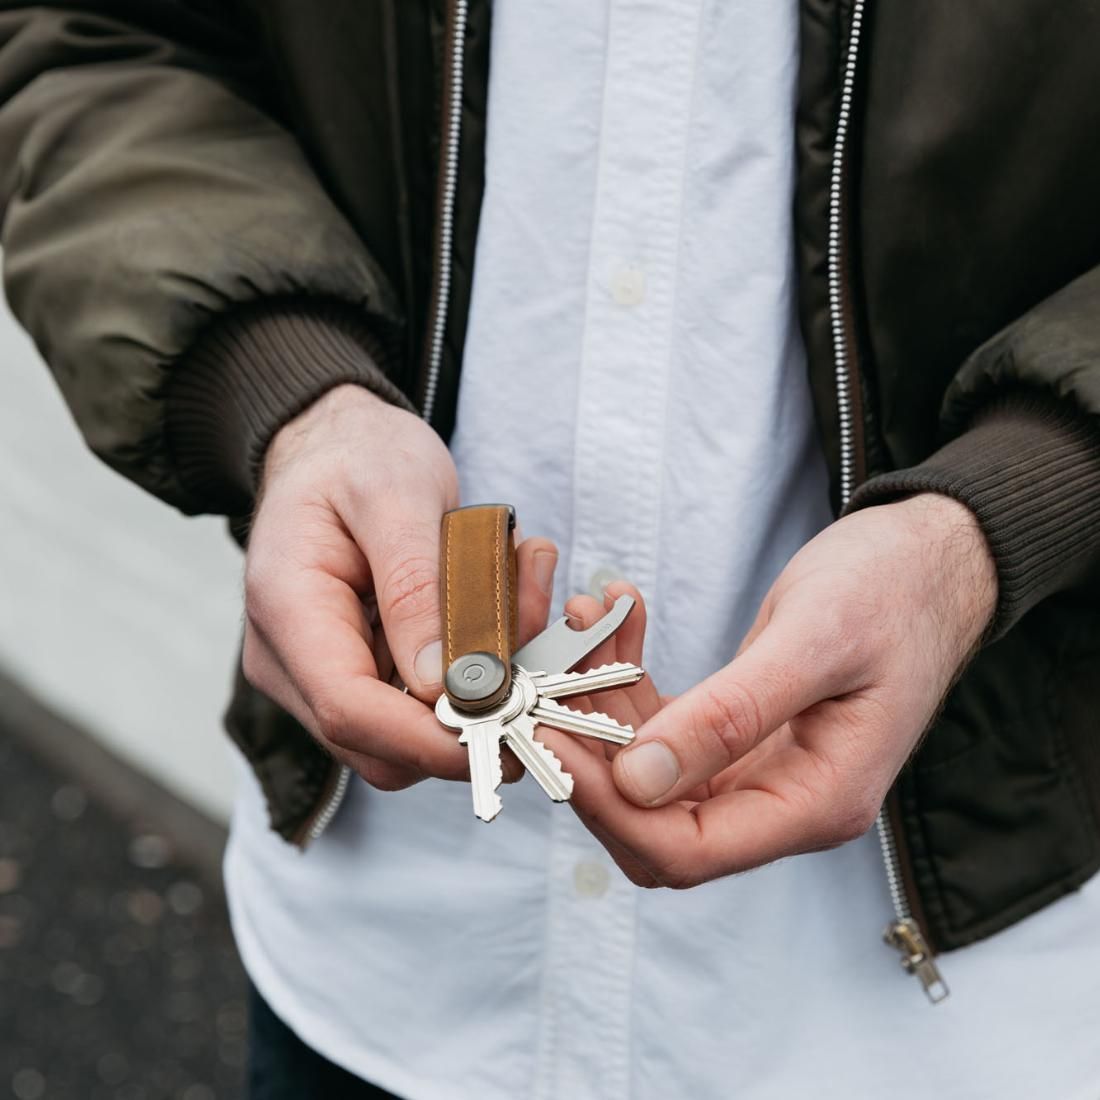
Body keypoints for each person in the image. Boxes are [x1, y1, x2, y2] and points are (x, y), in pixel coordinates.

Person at [3, 2, 1100, 1096]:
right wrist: (281, 389)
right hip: (381, 954)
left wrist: (1007, 515)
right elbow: (84, 36)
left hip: (947, 1011)